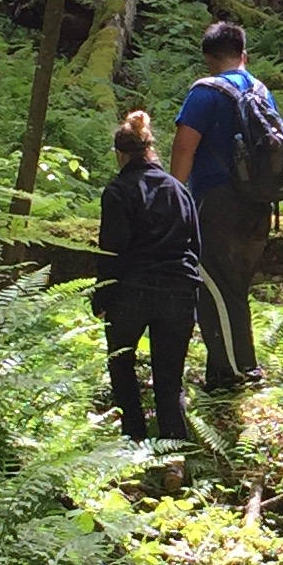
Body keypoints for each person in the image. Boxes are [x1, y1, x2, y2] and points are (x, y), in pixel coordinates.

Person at [171, 21, 283, 392]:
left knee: (214, 287)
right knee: (235, 285)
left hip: (218, 202)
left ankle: (235, 374)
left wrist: (175, 198)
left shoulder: (205, 94)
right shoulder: (259, 90)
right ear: (243, 54)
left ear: (207, 58)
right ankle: (229, 368)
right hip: (259, 202)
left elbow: (184, 146)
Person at [94, 110, 200, 441]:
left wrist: (102, 297)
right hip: (179, 290)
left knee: (121, 364)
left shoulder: (118, 191)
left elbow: (113, 252)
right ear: (150, 150)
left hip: (133, 291)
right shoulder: (178, 189)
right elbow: (195, 245)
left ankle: (134, 440)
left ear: (120, 154)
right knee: (169, 378)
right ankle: (174, 455)